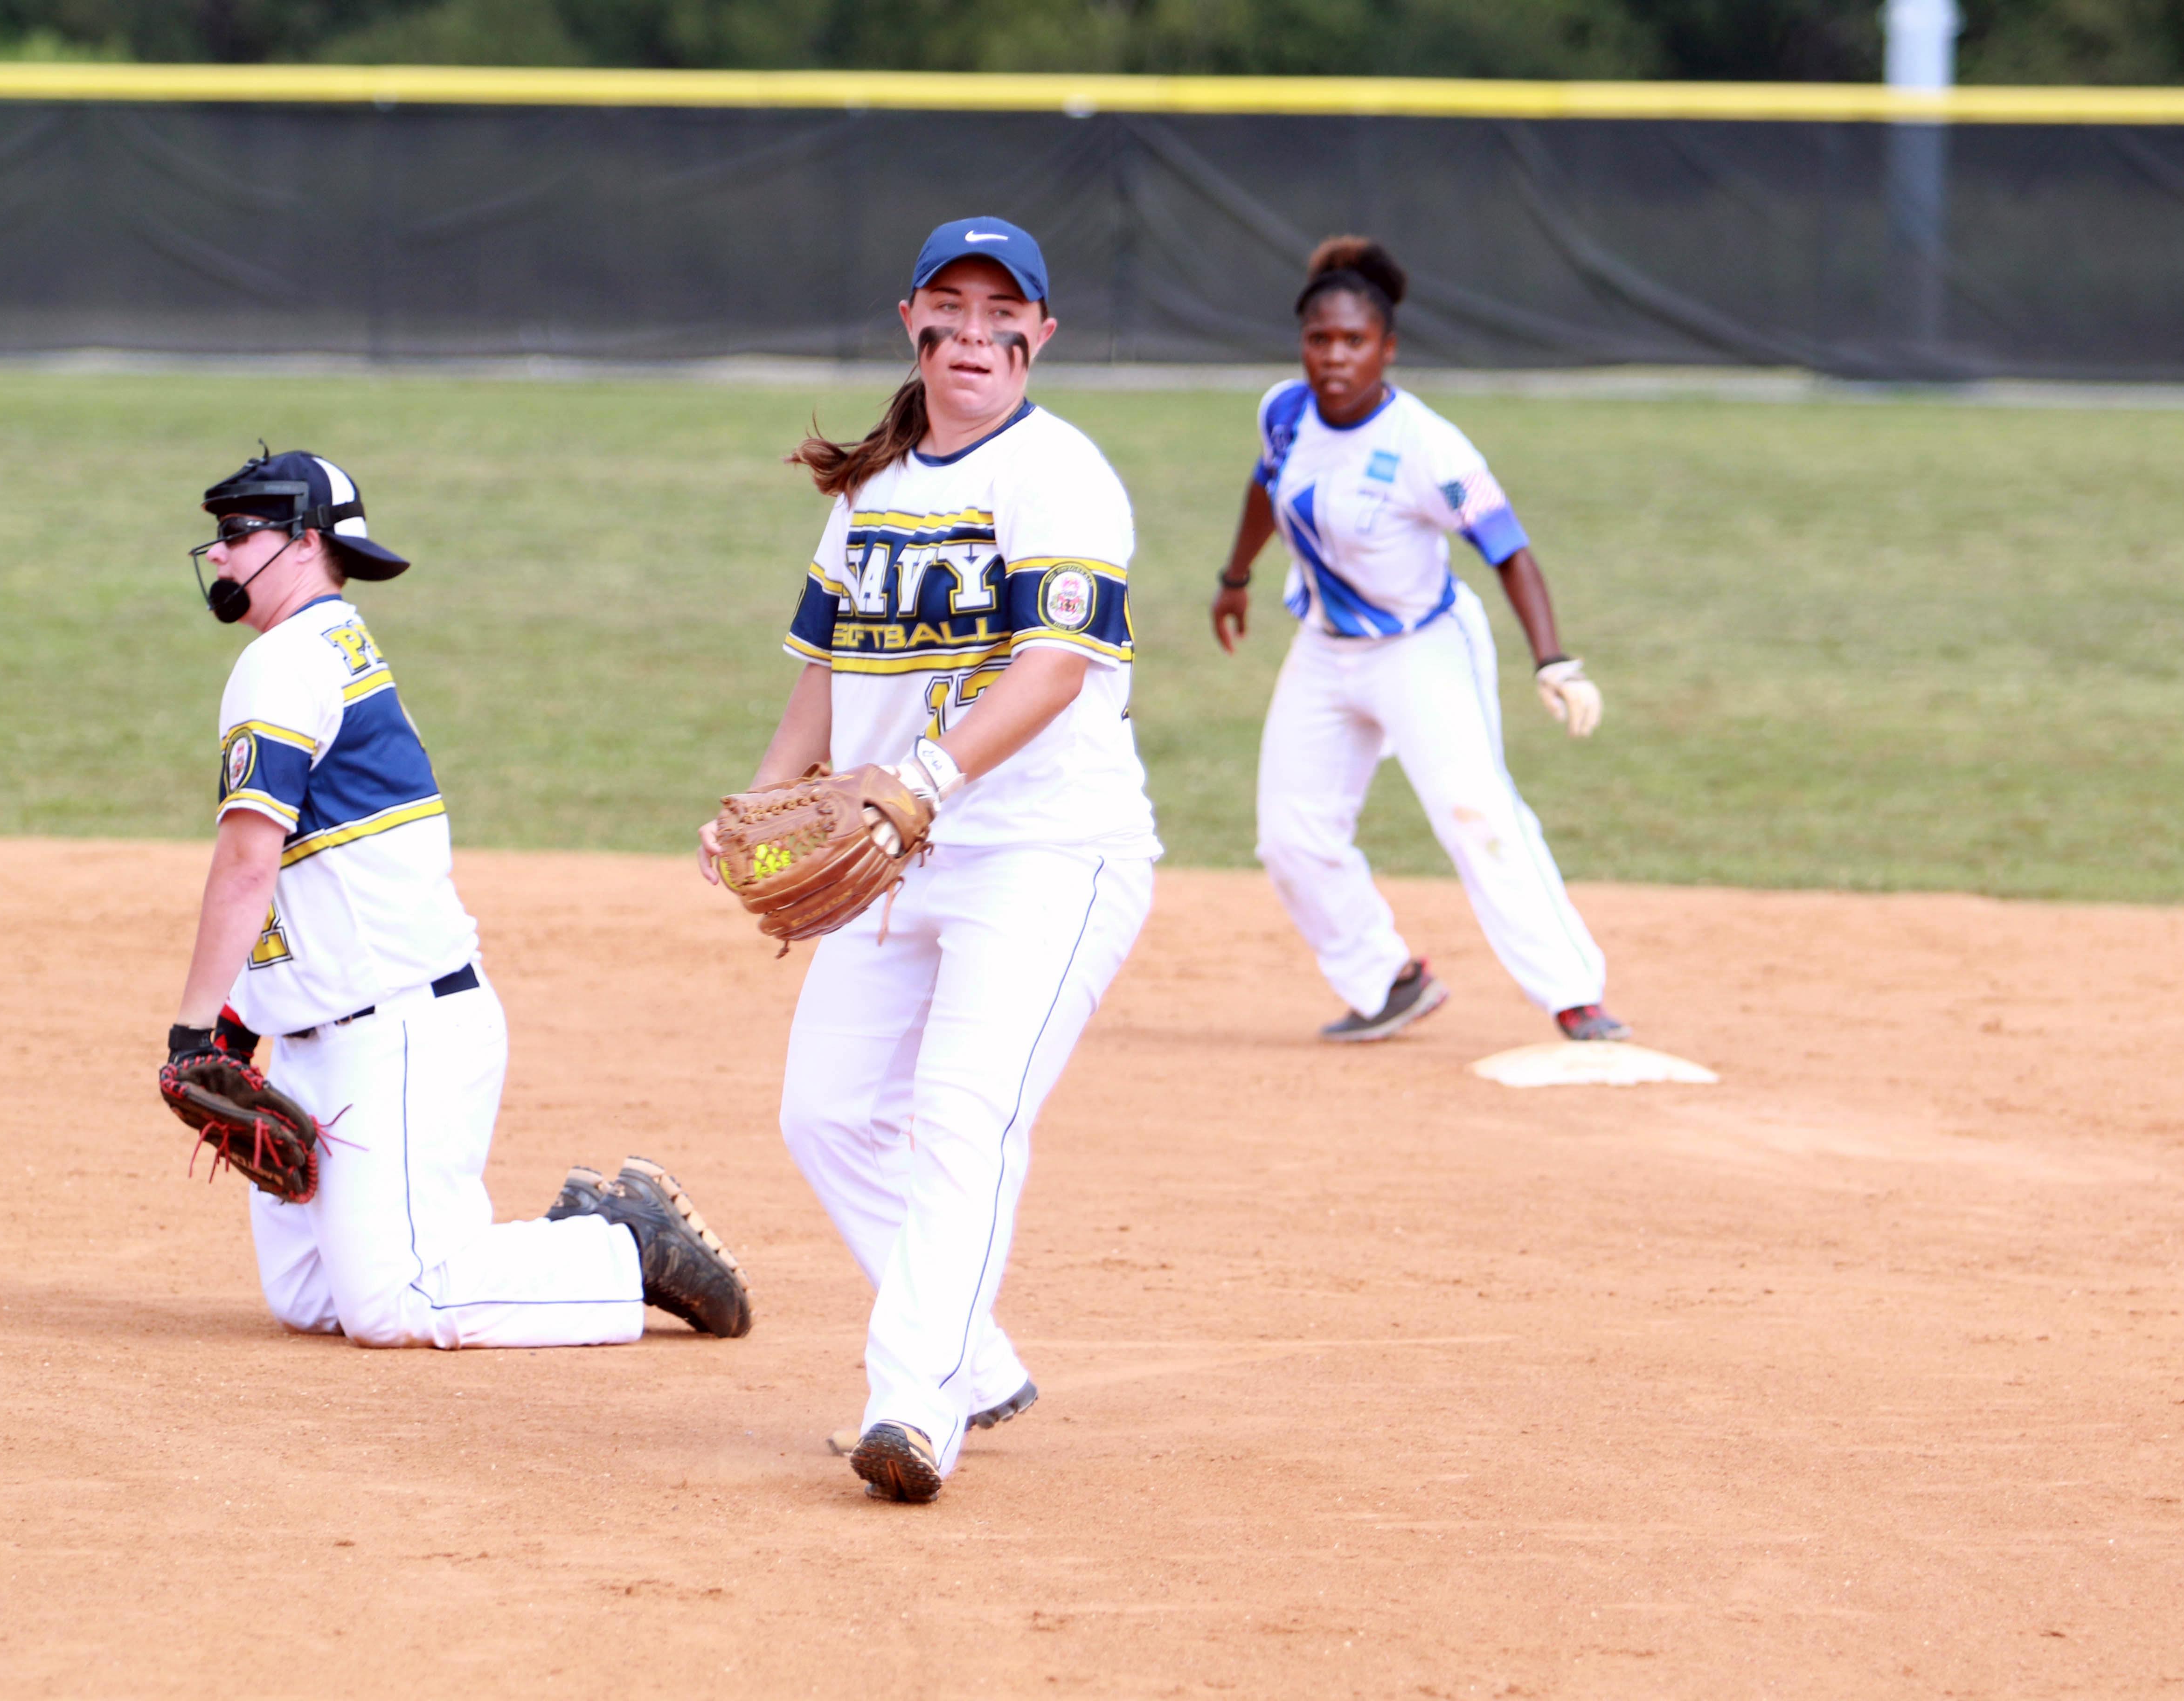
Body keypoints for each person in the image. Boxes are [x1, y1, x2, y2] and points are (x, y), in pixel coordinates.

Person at [698, 218, 1161, 1503]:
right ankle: (984, 1358)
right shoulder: (870, 491)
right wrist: (765, 798)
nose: (974, 330)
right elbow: (830, 677)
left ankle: (914, 1405)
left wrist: (923, 783)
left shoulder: (1062, 475)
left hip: (1047, 855)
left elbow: (1054, 672)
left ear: (1041, 334)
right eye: (949, 305)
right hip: (894, 849)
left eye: (1001, 309)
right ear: (910, 319)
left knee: (962, 1115)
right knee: (828, 1113)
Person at [166, 448, 752, 1348]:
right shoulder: (321, 647)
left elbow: (249, 865)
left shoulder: (285, 662)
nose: (220, 555)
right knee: (311, 1300)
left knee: (397, 1306)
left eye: (239, 534)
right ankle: (529, 1249)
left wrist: (195, 1029)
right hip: (325, 1034)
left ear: (304, 544)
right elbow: (311, 881)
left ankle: (622, 1247)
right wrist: (247, 1024)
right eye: (216, 537)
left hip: (396, 1030)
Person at [1210, 238, 1631, 1045]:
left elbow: (1510, 549)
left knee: (1477, 814)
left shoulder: (1432, 448)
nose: (1335, 358)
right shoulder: (1283, 412)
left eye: (1355, 342)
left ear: (1388, 350)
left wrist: (1553, 658)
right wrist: (1235, 579)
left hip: (1422, 647)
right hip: (1326, 648)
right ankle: (1386, 981)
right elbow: (1266, 487)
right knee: (1291, 836)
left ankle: (1575, 995)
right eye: (1320, 341)